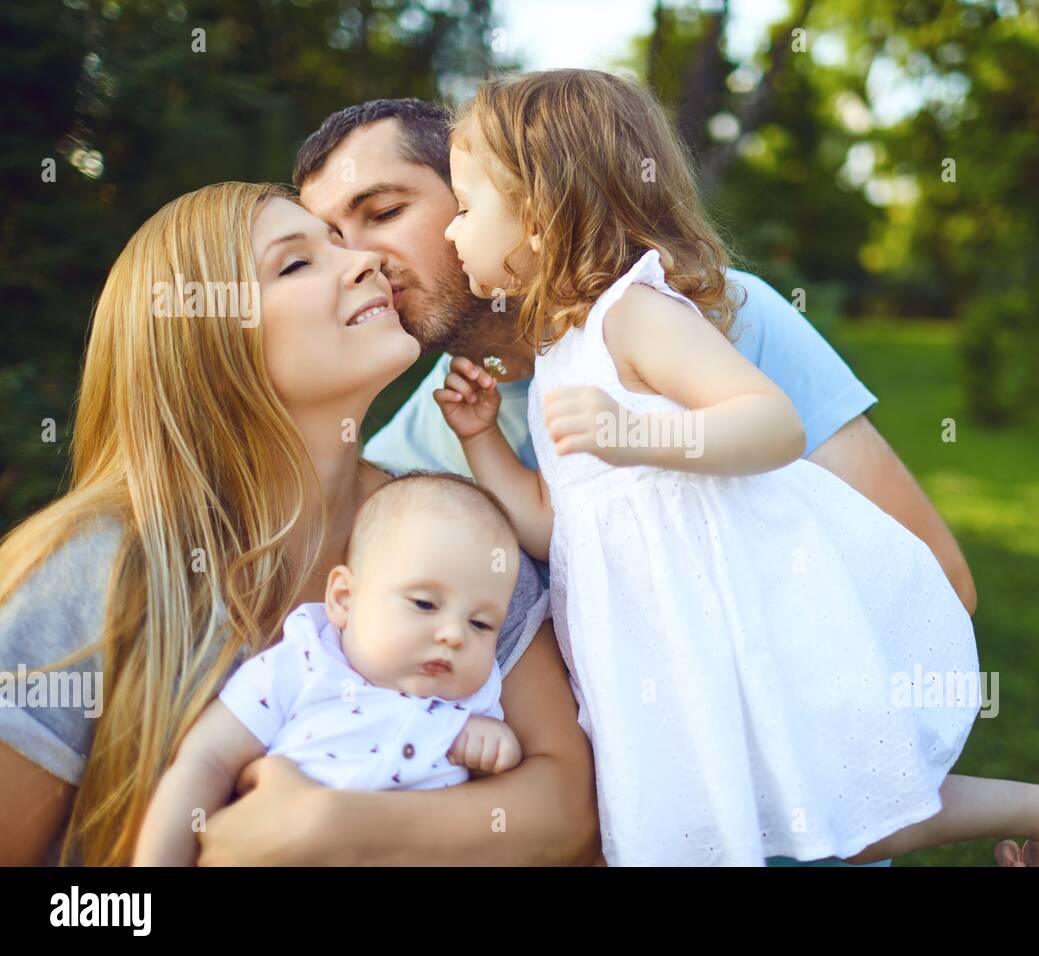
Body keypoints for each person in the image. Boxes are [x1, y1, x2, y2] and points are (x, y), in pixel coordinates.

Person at [435, 68, 1039, 866]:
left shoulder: (635, 315)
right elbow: (555, 522)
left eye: (464, 207)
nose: (450, 232)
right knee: (703, 823)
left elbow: (771, 421)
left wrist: (634, 432)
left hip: (741, 628)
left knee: (853, 809)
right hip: (660, 662)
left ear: (538, 214)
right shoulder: (561, 355)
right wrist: (481, 440)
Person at [293, 94, 976, 868]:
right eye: (330, 240)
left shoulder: (710, 317)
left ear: (498, 192)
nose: (357, 259)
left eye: (382, 212)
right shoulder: (418, 452)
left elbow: (942, 581)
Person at [0, 184, 596, 866]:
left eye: (341, 242)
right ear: (207, 338)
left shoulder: (450, 529)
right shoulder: (95, 569)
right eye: (295, 263)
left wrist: (337, 827)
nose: (365, 261)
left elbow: (569, 809)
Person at [133, 473, 526, 866]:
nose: (455, 635)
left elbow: (498, 804)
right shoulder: (303, 665)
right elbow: (207, 760)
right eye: (424, 604)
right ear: (344, 598)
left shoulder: (471, 701)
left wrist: (492, 748)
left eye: (481, 624)